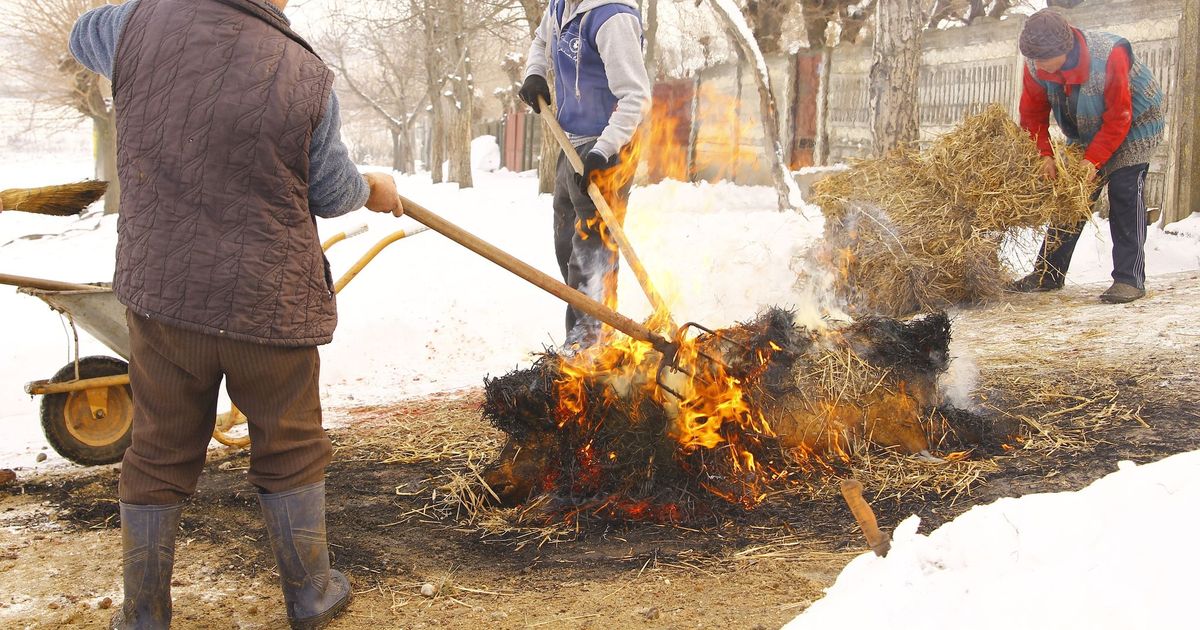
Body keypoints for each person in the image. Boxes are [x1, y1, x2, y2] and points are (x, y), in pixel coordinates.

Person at [69, 0, 403, 627]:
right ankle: (310, 594)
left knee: (157, 450)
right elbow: (331, 193)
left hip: (167, 297)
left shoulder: (134, 23)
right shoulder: (305, 72)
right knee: (291, 443)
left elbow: (82, 33)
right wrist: (371, 188)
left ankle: (143, 615)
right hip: (269, 304)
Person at [518, 0, 650, 348]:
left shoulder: (612, 17)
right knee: (566, 240)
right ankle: (591, 323)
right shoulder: (560, 5)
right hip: (570, 140)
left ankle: (590, 342)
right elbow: (541, 40)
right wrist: (534, 72)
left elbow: (635, 97)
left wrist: (603, 151)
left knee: (593, 246)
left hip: (608, 147)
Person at [1010, 9, 1164, 304]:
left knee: (1123, 190)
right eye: (1034, 59)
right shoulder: (1036, 64)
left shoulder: (1109, 55)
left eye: (1043, 60)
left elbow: (1119, 116)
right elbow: (1032, 115)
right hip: (1088, 126)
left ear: (1064, 49)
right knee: (1071, 193)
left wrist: (1092, 161)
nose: (1037, 66)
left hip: (1135, 123)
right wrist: (1044, 154)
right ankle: (1047, 274)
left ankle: (1129, 279)